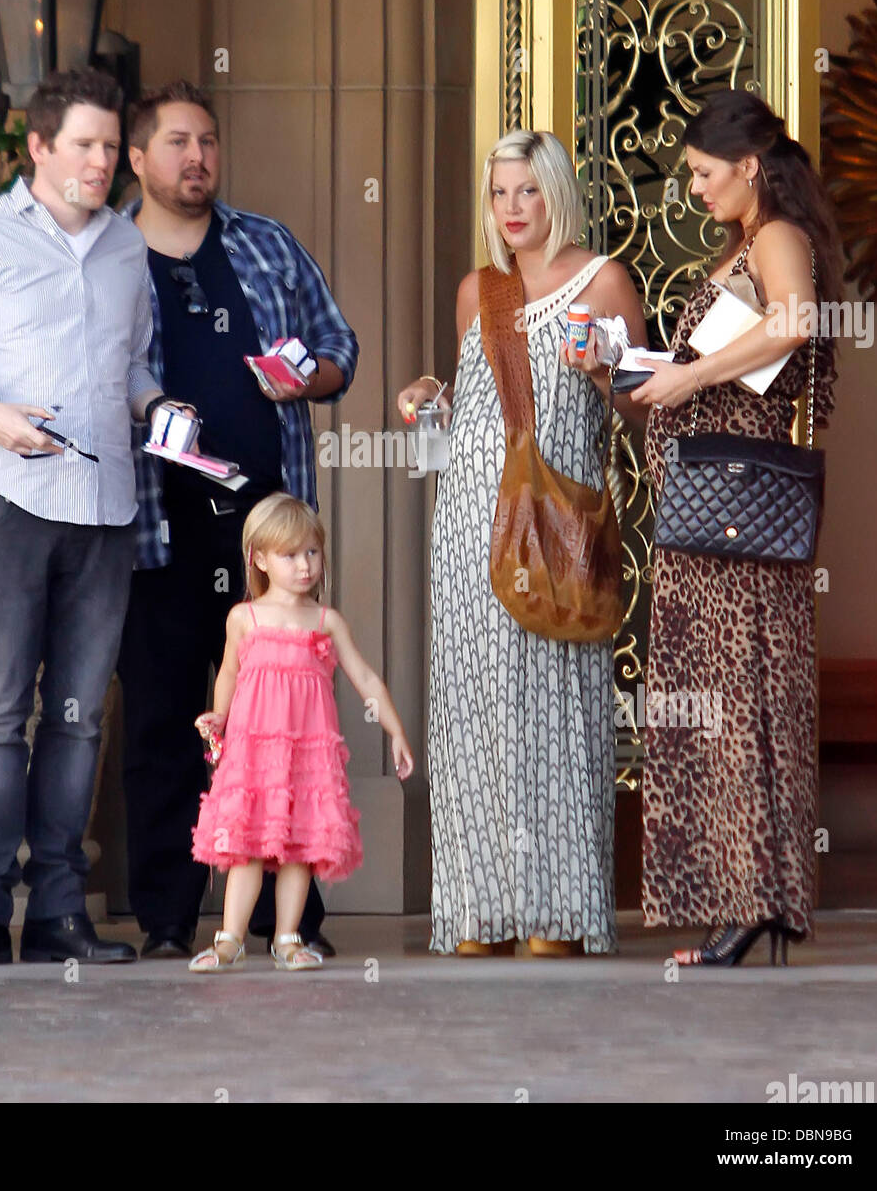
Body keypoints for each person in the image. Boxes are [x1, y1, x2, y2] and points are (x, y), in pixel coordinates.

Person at [0, 68, 162, 967]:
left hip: (105, 507)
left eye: (109, 145)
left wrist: (160, 408)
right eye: (85, 145)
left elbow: (131, 370)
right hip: (9, 505)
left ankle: (59, 913)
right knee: (0, 710)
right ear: (39, 148)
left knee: (81, 716)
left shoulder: (127, 249)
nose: (102, 161)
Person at [117, 81, 359, 959]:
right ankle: (167, 918)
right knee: (162, 717)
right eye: (177, 141)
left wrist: (310, 379)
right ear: (138, 158)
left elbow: (339, 349)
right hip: (154, 524)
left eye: (209, 141)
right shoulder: (105, 253)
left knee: (286, 720)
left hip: (267, 535)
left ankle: (284, 920)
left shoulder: (266, 243)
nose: (197, 157)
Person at [398, 130, 648, 957]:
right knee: (472, 716)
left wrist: (604, 371)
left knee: (550, 711)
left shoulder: (603, 279)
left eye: (527, 192)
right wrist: (429, 397)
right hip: (470, 520)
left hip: (557, 523)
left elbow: (646, 406)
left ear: (556, 195)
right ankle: (479, 914)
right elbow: (471, 408)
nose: (510, 209)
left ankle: (556, 914)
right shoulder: (480, 291)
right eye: (499, 193)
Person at [634, 90, 840, 966]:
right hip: (710, 513)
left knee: (736, 703)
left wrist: (687, 379)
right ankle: (751, 896)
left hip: (735, 515)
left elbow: (794, 323)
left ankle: (753, 899)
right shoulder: (745, 247)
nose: (695, 188)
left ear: (749, 167)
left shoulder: (777, 239)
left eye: (703, 173)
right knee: (721, 703)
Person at [188, 494, 414, 971]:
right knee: (246, 847)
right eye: (290, 555)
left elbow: (365, 678)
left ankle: (288, 937)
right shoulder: (243, 619)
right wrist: (219, 715)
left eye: (312, 552)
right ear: (260, 559)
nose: (304, 565)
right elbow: (228, 672)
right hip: (255, 753)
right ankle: (229, 938)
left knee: (299, 850)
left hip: (307, 756)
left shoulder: (326, 621)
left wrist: (395, 730)